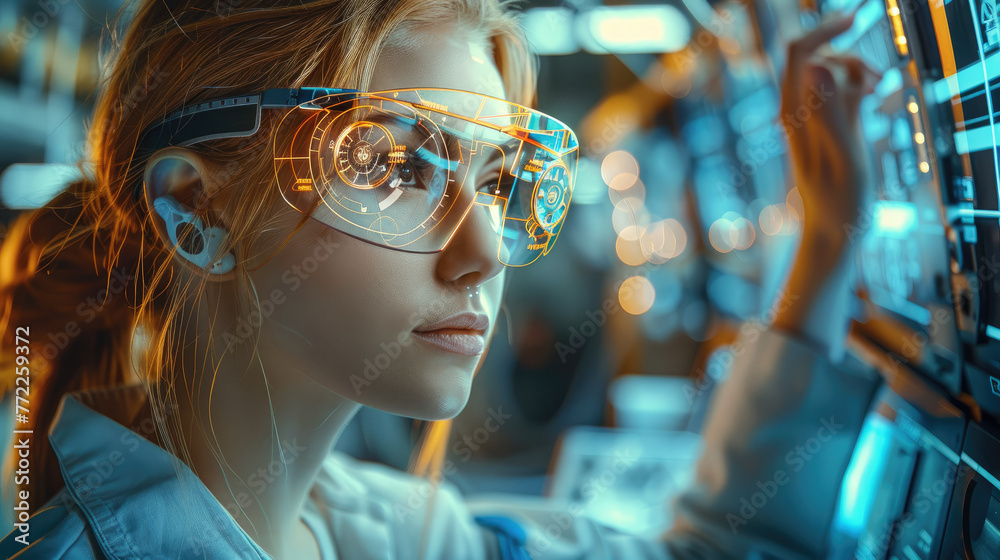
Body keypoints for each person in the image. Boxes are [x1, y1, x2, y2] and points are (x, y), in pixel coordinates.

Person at [0, 0, 882, 558]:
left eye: (495, 180)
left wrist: (828, 243)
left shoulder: (388, 529)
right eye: (389, 167)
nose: (487, 253)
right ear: (198, 212)